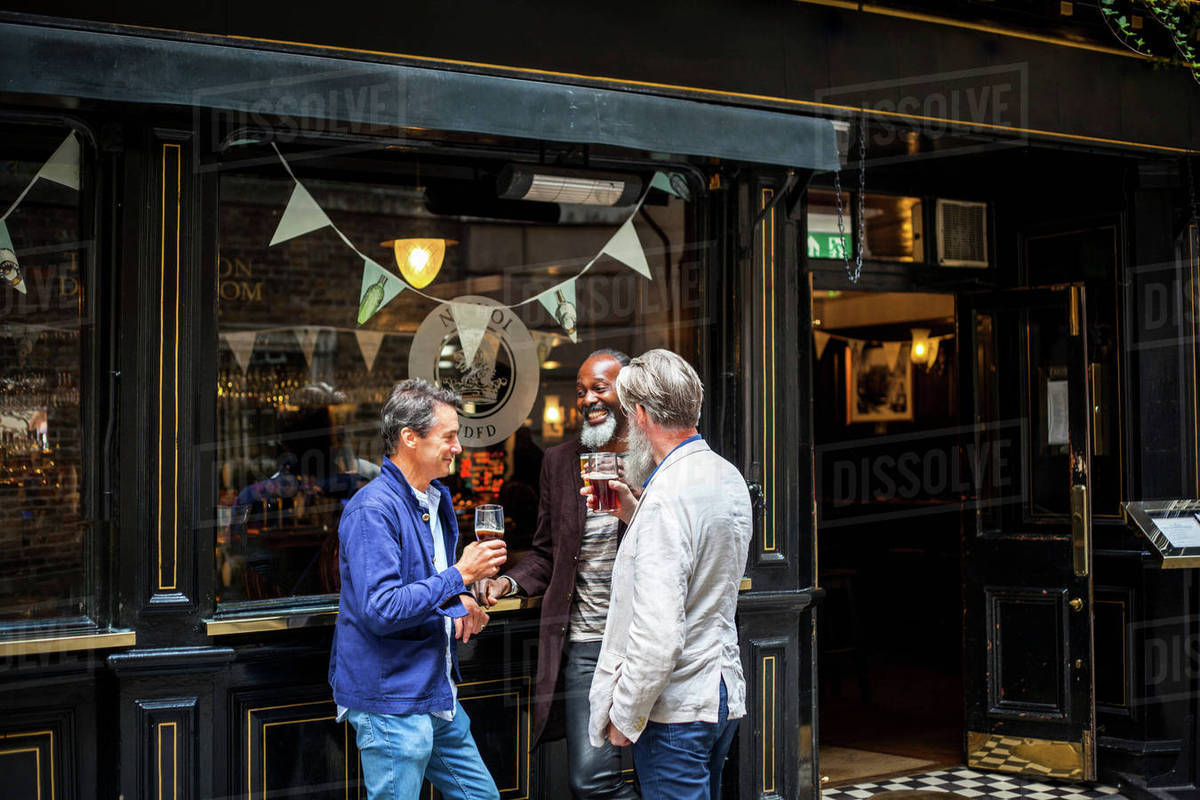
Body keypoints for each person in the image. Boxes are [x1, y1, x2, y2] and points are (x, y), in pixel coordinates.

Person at [329, 378, 508, 800]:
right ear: (409, 438)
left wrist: (458, 596)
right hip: (391, 699)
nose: (457, 448)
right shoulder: (372, 509)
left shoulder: (434, 499)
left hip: (434, 690)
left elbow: (423, 580)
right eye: (448, 436)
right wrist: (460, 576)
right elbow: (382, 608)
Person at [584, 349, 752, 800]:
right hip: (719, 693)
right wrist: (634, 515)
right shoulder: (726, 475)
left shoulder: (667, 495)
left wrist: (625, 716)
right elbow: (701, 563)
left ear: (641, 415)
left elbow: (658, 634)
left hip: (674, 709)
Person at [476, 349, 639, 800]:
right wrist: (507, 581)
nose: (587, 399)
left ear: (628, 392)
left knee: (659, 774)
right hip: (587, 644)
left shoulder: (657, 457)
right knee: (589, 780)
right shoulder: (560, 461)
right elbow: (547, 553)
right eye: (581, 391)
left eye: (599, 388)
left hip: (647, 640)